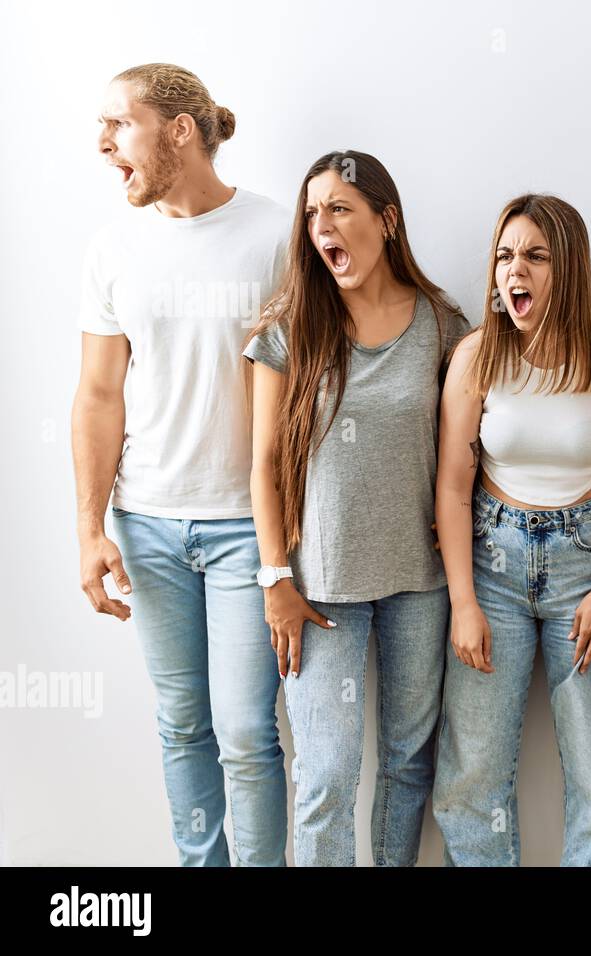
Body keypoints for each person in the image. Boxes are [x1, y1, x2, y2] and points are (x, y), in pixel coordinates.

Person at [72, 64, 290, 865]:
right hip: (149, 524)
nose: (103, 146)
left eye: (117, 126)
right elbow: (98, 395)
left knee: (243, 732)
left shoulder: (277, 233)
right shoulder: (112, 247)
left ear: (180, 131)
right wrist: (89, 528)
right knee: (181, 725)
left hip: (247, 528)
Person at [243, 151, 469, 866]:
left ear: (386, 219)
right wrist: (275, 578)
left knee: (408, 765)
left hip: (420, 583)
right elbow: (264, 466)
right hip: (320, 591)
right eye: (312, 213)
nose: (322, 226)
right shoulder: (289, 328)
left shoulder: (442, 323)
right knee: (328, 776)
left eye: (339, 207)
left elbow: (471, 445)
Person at [431, 194, 591, 866]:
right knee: (472, 776)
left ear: (568, 267)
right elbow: (451, 484)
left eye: (534, 256)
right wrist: (464, 603)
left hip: (588, 568)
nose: (514, 270)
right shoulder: (476, 356)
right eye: (504, 256)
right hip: (491, 565)